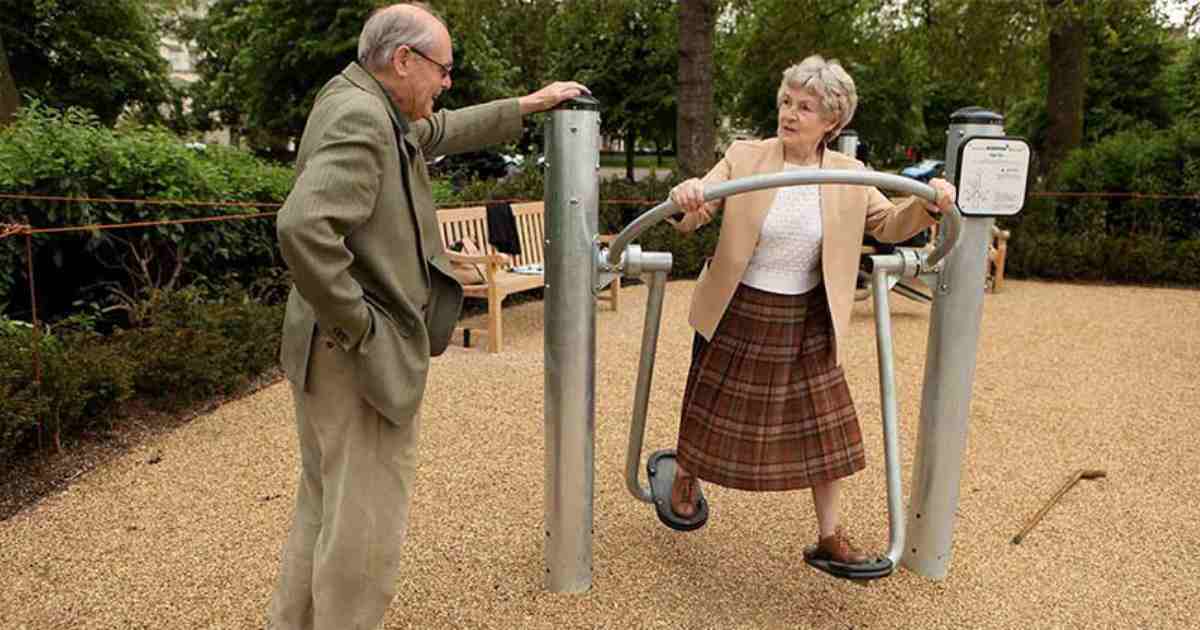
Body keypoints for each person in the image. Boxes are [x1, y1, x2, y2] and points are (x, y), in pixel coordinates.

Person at [269, 4, 588, 628]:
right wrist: (359, 326)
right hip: (355, 359)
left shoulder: (358, 97)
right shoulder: (364, 118)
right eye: (442, 69)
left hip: (322, 354)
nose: (447, 83)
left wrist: (527, 104)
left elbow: (436, 132)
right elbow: (303, 228)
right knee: (363, 531)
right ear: (403, 60)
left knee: (323, 506)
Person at [665, 55, 955, 572]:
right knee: (711, 410)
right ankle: (686, 473)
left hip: (808, 316)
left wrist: (929, 207)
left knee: (829, 428)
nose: (790, 114)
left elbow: (888, 223)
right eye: (786, 102)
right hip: (738, 307)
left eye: (805, 107)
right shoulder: (745, 156)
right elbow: (696, 214)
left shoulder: (848, 173)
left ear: (832, 123)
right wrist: (687, 198)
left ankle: (829, 535)